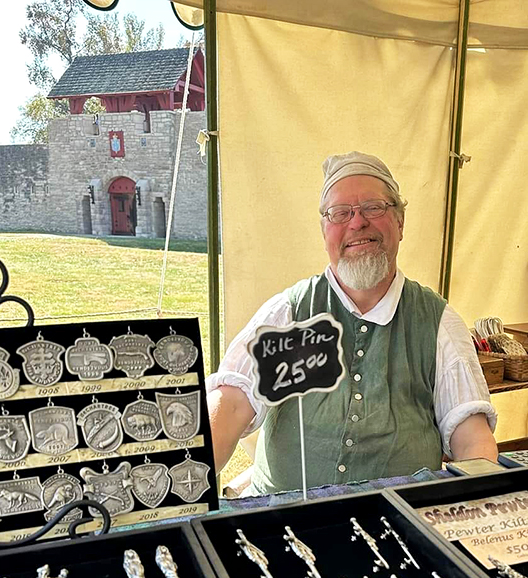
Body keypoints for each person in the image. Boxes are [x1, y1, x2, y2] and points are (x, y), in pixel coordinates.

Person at [207, 151, 498, 495]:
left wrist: (477, 502)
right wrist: (183, 487)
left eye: (373, 208)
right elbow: (233, 403)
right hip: (284, 522)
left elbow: (470, 434)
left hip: (402, 523)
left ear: (400, 222)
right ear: (324, 230)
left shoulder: (437, 322)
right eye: (340, 213)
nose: (357, 223)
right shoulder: (291, 313)